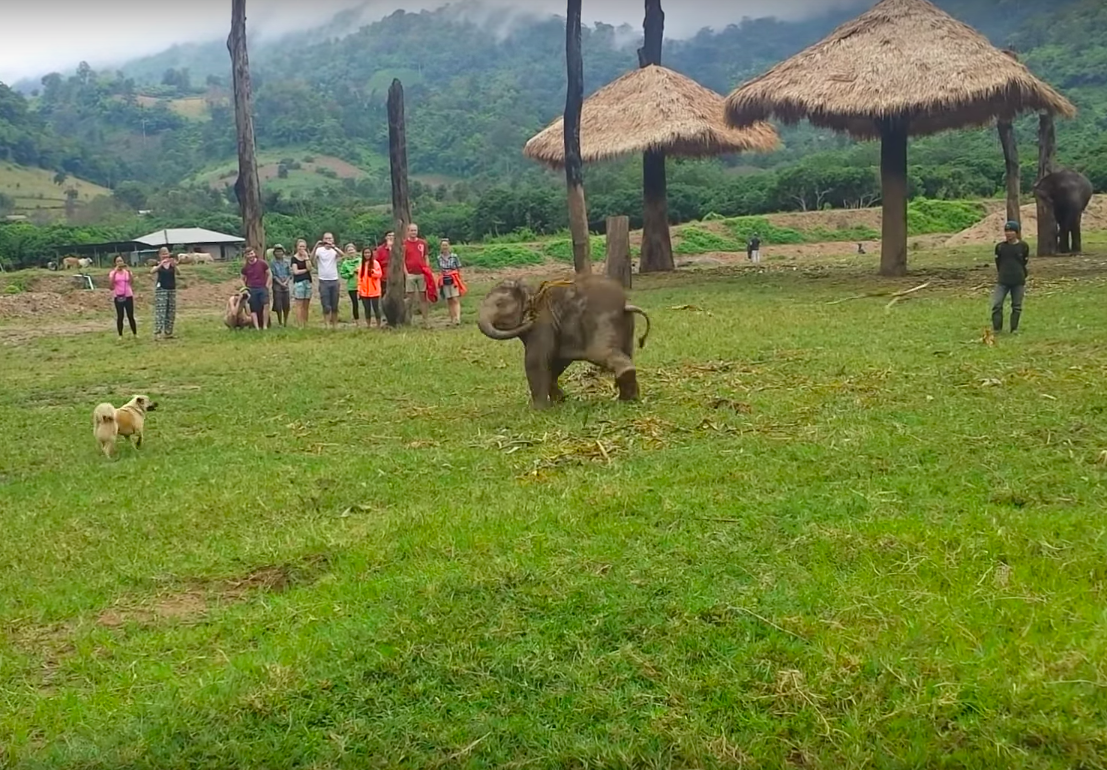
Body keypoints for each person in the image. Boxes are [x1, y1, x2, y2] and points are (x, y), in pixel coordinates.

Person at [992, 220, 1030, 334]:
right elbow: (998, 262)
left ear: (1017, 232)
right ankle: (997, 329)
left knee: (1017, 306)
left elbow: (1024, 261)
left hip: (1018, 280)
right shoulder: (1000, 247)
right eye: (1007, 231)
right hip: (1003, 280)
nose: (1009, 233)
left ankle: (1014, 329)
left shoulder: (1023, 246)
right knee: (997, 305)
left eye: (1011, 231)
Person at [403, 222, 431, 328]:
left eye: (415, 230)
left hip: (421, 273)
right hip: (410, 274)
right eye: (412, 230)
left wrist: (426, 269)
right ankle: (408, 320)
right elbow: (402, 260)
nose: (414, 232)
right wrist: (406, 274)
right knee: (410, 299)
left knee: (423, 298)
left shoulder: (423, 243)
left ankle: (426, 321)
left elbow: (426, 257)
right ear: (408, 231)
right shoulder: (404, 244)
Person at [149, 247, 179, 340]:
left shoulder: (172, 264)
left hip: (172, 289)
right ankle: (157, 333)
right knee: (161, 311)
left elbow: (179, 273)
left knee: (171, 311)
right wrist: (160, 264)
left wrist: (175, 265)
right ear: (160, 255)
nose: (165, 255)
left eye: (166, 253)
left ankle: (168, 332)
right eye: (163, 254)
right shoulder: (158, 264)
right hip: (161, 289)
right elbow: (152, 271)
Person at [313, 232, 342, 330]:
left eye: (330, 238)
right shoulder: (319, 250)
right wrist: (316, 246)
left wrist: (334, 247)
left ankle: (335, 325)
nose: (328, 240)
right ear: (323, 239)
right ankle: (327, 325)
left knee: (335, 304)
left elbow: (344, 256)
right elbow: (312, 259)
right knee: (325, 304)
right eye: (326, 238)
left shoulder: (334, 251)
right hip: (323, 280)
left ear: (333, 240)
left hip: (334, 279)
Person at [437, 238, 466, 326]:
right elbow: (440, 269)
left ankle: (458, 318)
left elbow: (459, 268)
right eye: (443, 245)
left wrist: (459, 278)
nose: (444, 247)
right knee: (449, 299)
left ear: (449, 246)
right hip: (444, 280)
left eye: (446, 245)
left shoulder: (454, 256)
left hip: (454, 279)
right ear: (440, 247)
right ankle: (452, 318)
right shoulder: (439, 258)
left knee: (455, 298)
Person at [240, 247, 270, 330]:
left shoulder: (262, 263)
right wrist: (244, 288)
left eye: (252, 253)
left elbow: (270, 274)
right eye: (248, 254)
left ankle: (265, 326)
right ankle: (256, 327)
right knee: (253, 308)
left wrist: (267, 285)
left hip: (262, 287)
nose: (251, 256)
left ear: (255, 254)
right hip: (251, 289)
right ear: (246, 256)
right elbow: (242, 278)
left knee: (266, 305)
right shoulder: (245, 267)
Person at [108, 255, 137, 339]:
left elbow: (131, 282)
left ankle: (135, 333)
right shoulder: (112, 273)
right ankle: (120, 335)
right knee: (120, 316)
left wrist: (129, 272)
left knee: (130, 315)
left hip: (128, 295)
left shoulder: (127, 272)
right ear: (115, 263)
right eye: (118, 261)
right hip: (118, 296)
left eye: (121, 261)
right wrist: (115, 273)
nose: (120, 263)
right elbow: (111, 286)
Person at [357, 246, 383, 328]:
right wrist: (359, 290)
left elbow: (379, 274)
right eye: (365, 253)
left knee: (376, 308)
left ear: (371, 254)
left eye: (368, 253)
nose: (367, 254)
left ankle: (378, 325)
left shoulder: (375, 263)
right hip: (364, 292)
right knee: (367, 309)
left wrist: (372, 271)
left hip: (374, 291)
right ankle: (368, 325)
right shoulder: (361, 265)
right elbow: (359, 279)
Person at [290, 239, 313, 329]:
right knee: (299, 304)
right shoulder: (294, 258)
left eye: (303, 246)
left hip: (308, 282)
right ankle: (300, 325)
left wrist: (306, 257)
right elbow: (295, 271)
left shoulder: (307, 257)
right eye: (300, 246)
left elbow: (310, 267)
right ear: (297, 247)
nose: (302, 248)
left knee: (306, 304)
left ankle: (305, 323)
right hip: (299, 282)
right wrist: (306, 270)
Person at [269, 244, 291, 327]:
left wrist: (286, 282)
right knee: (278, 305)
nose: (279, 253)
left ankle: (285, 321)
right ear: (274, 253)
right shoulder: (272, 262)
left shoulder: (287, 262)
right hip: (277, 286)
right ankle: (280, 322)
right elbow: (273, 275)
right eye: (277, 251)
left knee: (286, 304)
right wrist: (281, 283)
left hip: (286, 285)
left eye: (280, 251)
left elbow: (290, 273)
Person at [339, 242, 362, 324]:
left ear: (355, 251)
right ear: (346, 252)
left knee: (365, 303)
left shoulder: (360, 260)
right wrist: (350, 273)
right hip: (352, 286)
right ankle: (357, 321)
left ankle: (367, 319)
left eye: (352, 250)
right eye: (349, 250)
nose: (351, 252)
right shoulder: (345, 263)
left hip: (362, 285)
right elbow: (342, 274)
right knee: (355, 303)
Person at [375, 231, 394, 300]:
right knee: (385, 295)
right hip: (384, 277)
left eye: (393, 235)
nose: (391, 237)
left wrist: (391, 249)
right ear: (385, 237)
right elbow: (376, 263)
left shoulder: (399, 247)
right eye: (389, 235)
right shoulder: (380, 249)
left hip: (397, 277)